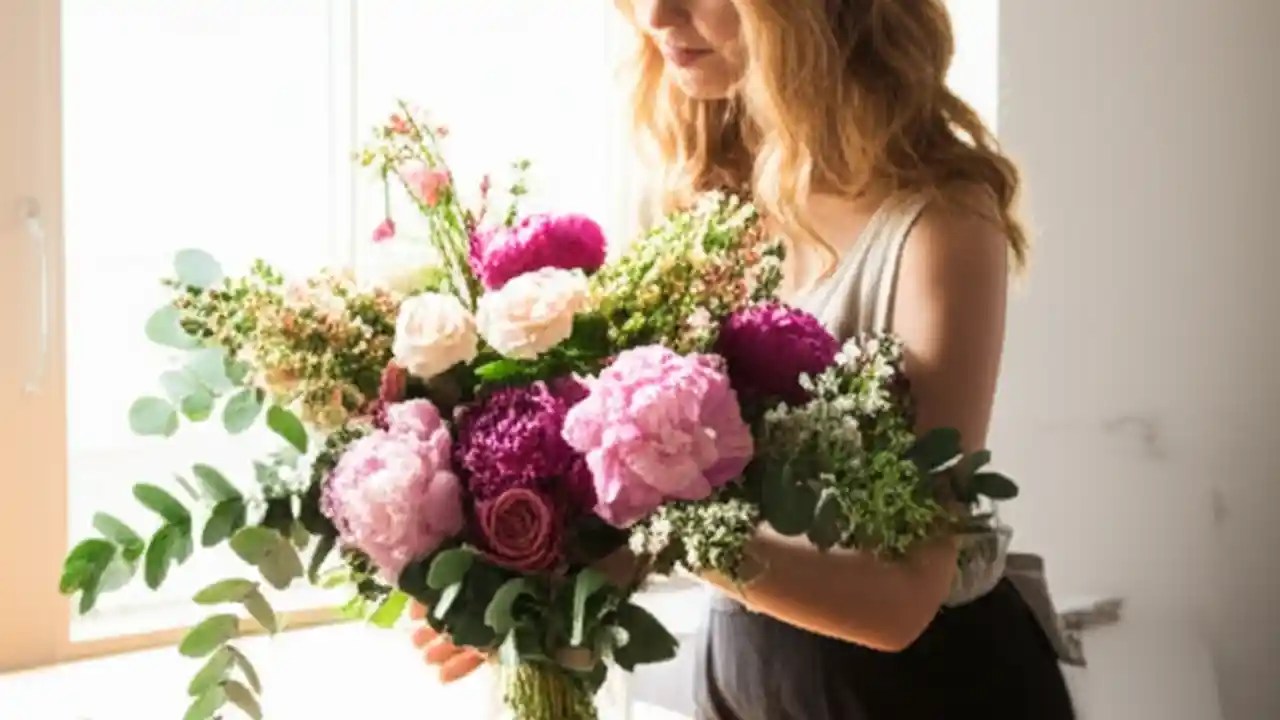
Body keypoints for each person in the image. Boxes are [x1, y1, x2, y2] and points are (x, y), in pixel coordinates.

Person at [415, 1, 1079, 717]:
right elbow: (651, 511)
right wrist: (525, 583)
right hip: (742, 674)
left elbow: (902, 602)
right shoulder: (688, 199)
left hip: (928, 691)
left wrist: (658, 528)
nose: (656, 14)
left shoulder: (939, 226)